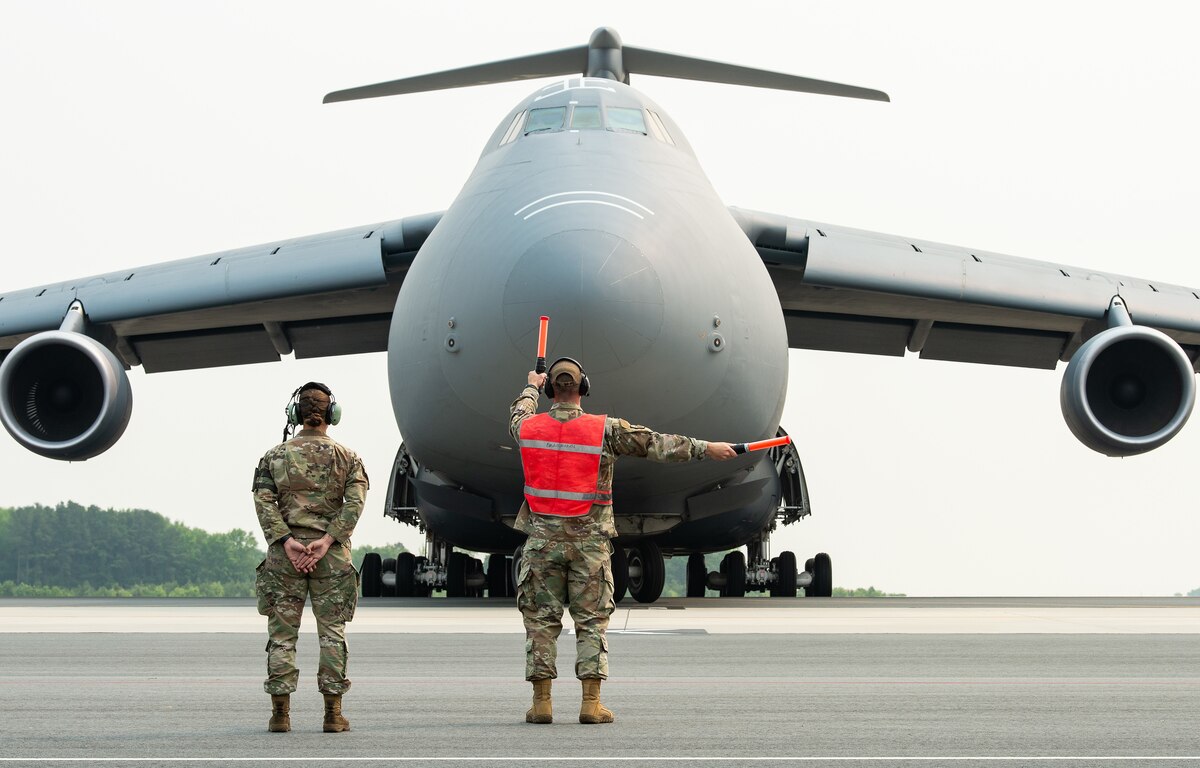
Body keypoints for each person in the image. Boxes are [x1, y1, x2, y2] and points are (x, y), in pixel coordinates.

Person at [509, 357, 737, 724]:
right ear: (584, 388)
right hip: (590, 546)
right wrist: (707, 448)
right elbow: (658, 444)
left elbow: (518, 414)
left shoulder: (529, 428)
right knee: (592, 621)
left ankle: (542, 704)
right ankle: (590, 704)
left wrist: (531, 385)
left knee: (540, 622)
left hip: (541, 544)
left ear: (552, 390)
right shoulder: (605, 430)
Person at [252, 382, 369, 733]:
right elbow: (355, 504)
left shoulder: (273, 456)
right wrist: (327, 540)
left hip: (284, 559)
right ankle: (333, 714)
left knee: (282, 635)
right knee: (332, 633)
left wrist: (287, 541)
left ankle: (280, 715)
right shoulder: (349, 458)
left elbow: (263, 500)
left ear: (295, 414)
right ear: (332, 414)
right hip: (331, 559)